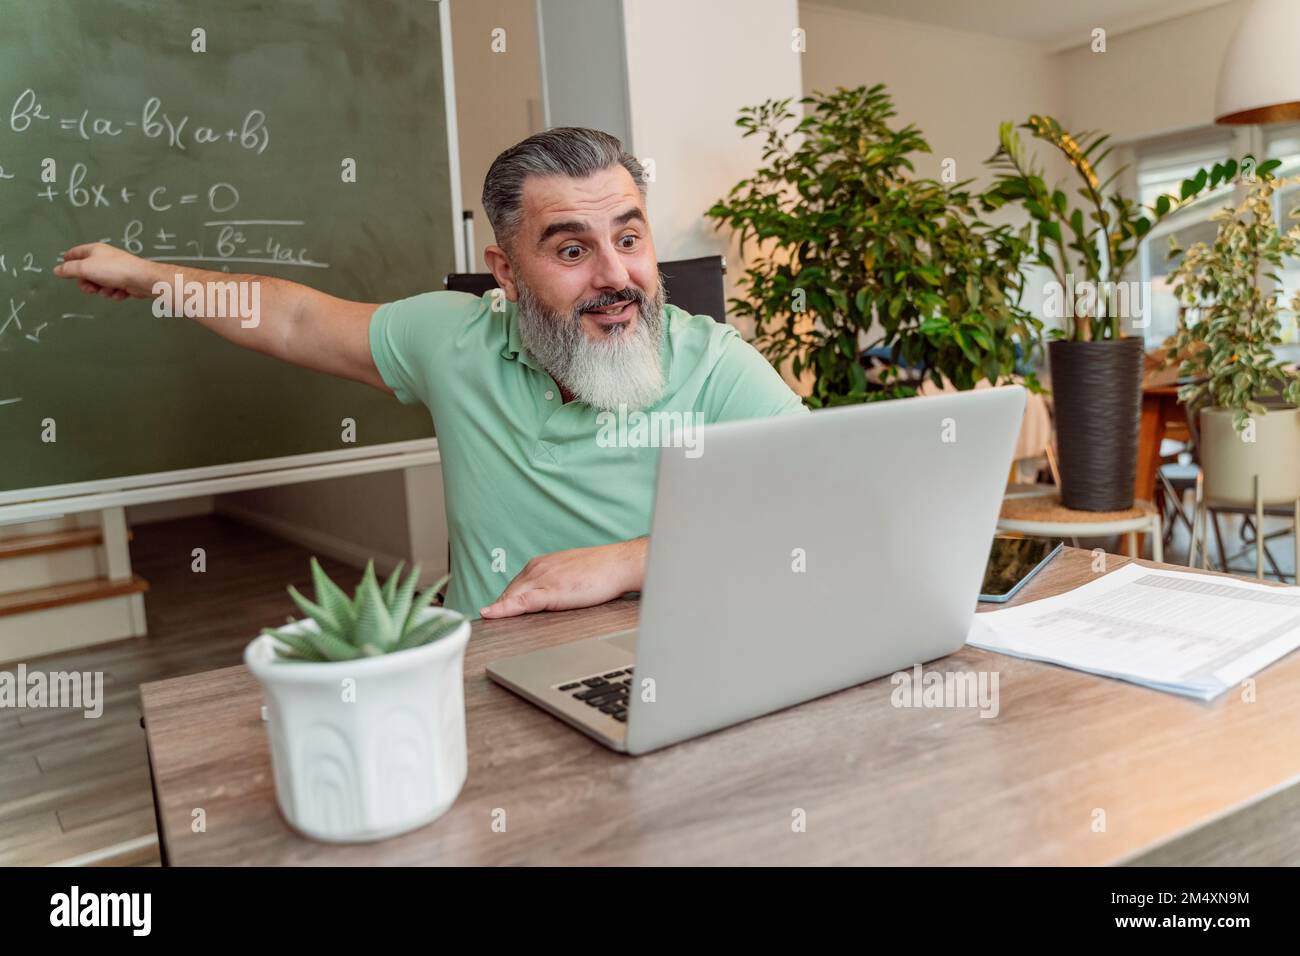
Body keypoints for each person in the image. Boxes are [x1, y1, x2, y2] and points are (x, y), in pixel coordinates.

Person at [53, 127, 807, 620]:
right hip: (484, 668)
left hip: (652, 664)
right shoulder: (452, 339)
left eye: (631, 238)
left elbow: (824, 510)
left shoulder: (715, 366)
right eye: (573, 251)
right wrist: (149, 275)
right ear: (505, 274)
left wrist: (627, 563)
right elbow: (292, 318)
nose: (618, 275)